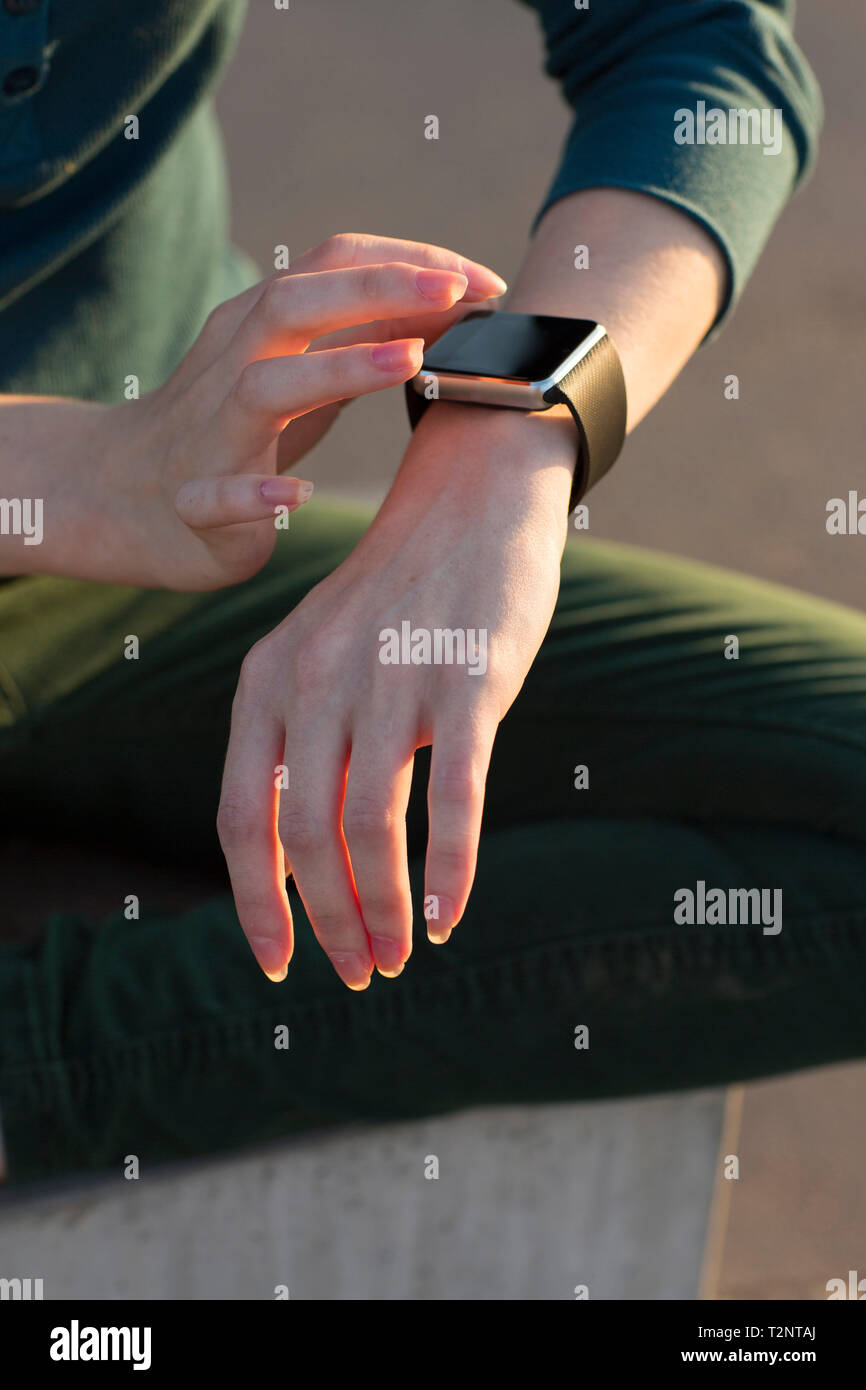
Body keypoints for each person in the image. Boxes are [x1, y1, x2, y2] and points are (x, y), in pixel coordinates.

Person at [1, 1, 858, 1185]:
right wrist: (70, 471)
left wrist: (505, 435)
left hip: (176, 527)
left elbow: (695, 35)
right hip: (120, 473)